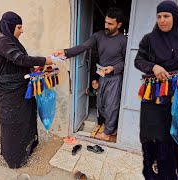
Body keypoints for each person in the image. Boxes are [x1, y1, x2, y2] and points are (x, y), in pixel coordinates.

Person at [134, 1, 178, 179]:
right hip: (155, 98)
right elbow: (138, 60)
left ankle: (173, 173)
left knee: (175, 137)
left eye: (166, 16)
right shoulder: (149, 40)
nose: (162, 20)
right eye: (159, 16)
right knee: (155, 138)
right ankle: (154, 172)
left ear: (175, 17)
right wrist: (154, 67)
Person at [53, 7, 127, 141]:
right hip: (102, 76)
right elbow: (83, 47)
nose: (106, 26)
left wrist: (114, 68)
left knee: (111, 105)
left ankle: (107, 132)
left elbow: (126, 61)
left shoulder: (123, 40)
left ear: (119, 25)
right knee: (101, 104)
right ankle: (113, 128)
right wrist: (65, 52)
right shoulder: (98, 36)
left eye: (110, 24)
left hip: (115, 77)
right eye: (106, 22)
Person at [0, 11, 54, 168]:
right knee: (13, 122)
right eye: (19, 27)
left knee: (26, 118)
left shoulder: (10, 41)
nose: (22, 30)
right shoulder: (2, 41)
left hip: (20, 88)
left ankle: (28, 148)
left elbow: (19, 61)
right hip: (9, 93)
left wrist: (33, 69)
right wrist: (44, 59)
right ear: (10, 27)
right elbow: (19, 59)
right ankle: (14, 158)